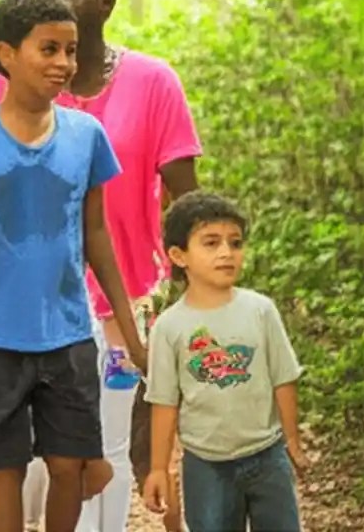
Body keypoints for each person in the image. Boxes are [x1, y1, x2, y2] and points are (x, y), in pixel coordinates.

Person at [0, 0, 201, 532]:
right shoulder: (11, 81)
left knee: (106, 441)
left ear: (106, 1)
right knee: (38, 447)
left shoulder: (154, 81)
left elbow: (185, 191)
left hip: (126, 295)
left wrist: (197, 281)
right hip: (35, 298)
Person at [0, 0, 146, 532]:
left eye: (70, 51)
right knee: (4, 467)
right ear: (7, 54)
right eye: (48, 49)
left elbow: (96, 234)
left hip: (70, 332)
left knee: (70, 465)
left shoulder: (87, 136)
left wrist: (128, 327)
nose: (64, 64)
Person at [143, 191, 306, 532]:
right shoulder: (170, 326)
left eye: (235, 243)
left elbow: (283, 378)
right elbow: (164, 402)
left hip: (267, 456)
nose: (226, 253)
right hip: (206, 465)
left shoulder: (260, 310)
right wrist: (159, 468)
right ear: (179, 255)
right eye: (211, 242)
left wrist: (292, 441)